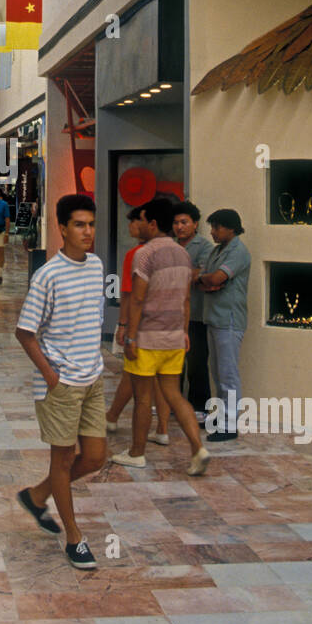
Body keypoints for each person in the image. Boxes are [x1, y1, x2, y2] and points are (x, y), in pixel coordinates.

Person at [16, 194, 106, 570]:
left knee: (96, 457)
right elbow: (25, 332)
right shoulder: (47, 275)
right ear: (62, 228)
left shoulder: (97, 265)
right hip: (62, 383)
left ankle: (37, 496)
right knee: (63, 458)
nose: (87, 232)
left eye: (91, 224)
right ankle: (74, 537)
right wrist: (52, 377)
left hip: (94, 376)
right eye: (80, 225)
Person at [112, 198, 210, 477]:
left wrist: (130, 336)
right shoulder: (183, 254)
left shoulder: (145, 254)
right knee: (175, 396)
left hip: (147, 338)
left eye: (140, 219)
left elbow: (138, 298)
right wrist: (183, 330)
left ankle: (136, 453)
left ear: (153, 223)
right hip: (175, 337)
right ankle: (197, 449)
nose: (137, 224)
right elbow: (186, 298)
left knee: (143, 399)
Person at [106, 206, 171, 443]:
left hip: (141, 323)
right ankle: (162, 428)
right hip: (166, 323)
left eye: (135, 222)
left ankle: (113, 418)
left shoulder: (136, 254)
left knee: (133, 374)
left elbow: (129, 294)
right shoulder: (173, 252)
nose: (132, 227)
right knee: (161, 379)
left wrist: (123, 326)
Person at [197, 208, 251, 443]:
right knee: (217, 373)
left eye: (217, 227)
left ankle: (229, 425)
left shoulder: (238, 251)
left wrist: (208, 279)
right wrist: (206, 280)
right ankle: (221, 416)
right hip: (214, 318)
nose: (213, 232)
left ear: (231, 228)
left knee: (228, 375)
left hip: (229, 320)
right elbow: (204, 278)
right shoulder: (217, 251)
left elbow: (217, 278)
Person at [173, 200, 213, 422]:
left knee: (197, 361)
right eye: (176, 222)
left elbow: (203, 273)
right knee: (173, 362)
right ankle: (172, 401)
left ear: (195, 224)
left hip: (196, 314)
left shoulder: (204, 246)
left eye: (184, 222)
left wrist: (180, 274)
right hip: (172, 315)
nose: (179, 227)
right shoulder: (170, 244)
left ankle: (200, 407)